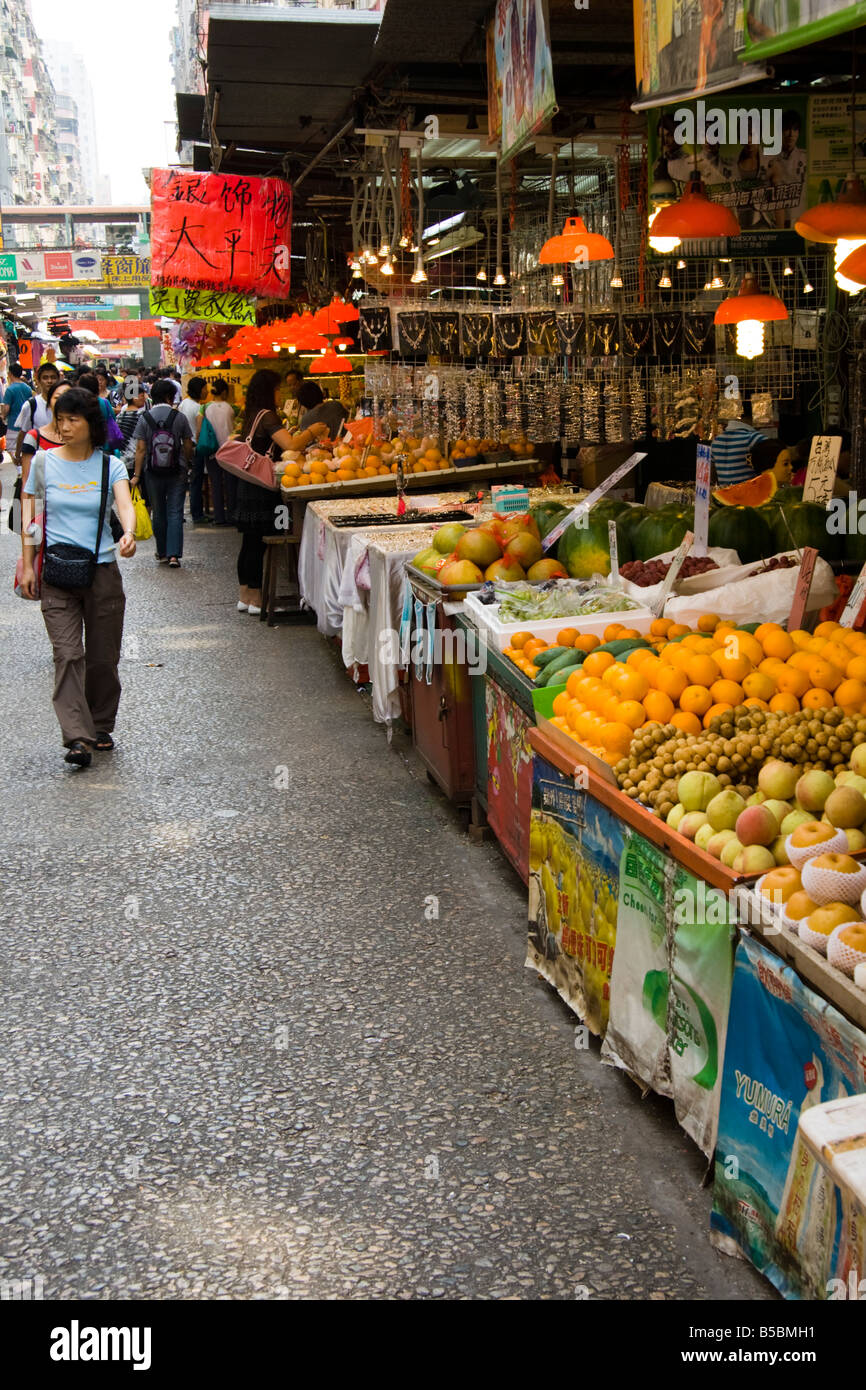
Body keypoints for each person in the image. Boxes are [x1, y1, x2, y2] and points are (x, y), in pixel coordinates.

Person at [19, 386, 137, 768]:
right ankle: (77, 738)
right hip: (56, 570)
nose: (64, 427)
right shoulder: (43, 462)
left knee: (103, 657)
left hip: (101, 569)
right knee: (68, 654)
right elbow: (30, 513)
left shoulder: (110, 465)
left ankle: (100, 723)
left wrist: (129, 532)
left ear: (92, 424)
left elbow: (123, 502)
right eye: (60, 420)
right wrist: (26, 562)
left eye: (73, 420)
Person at [234, 369, 328, 614]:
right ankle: (255, 598)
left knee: (249, 541)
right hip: (263, 489)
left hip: (247, 486)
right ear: (269, 391)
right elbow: (291, 444)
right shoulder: (267, 416)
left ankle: (245, 595)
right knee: (259, 542)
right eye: (277, 389)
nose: (280, 394)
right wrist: (312, 431)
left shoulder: (252, 414)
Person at [130, 378, 193, 567]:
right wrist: (186, 462)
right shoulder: (179, 417)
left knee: (158, 512)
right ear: (169, 396)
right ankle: (174, 555)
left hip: (152, 471)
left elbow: (140, 449)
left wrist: (137, 475)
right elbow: (188, 443)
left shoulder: (145, 417)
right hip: (177, 470)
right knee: (175, 511)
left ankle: (162, 552)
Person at [13, 360, 61, 469]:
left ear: (58, 379)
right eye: (45, 378)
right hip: (39, 459)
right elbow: (23, 432)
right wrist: (18, 454)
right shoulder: (31, 405)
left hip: (62, 457)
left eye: (53, 377)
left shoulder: (66, 402)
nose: (49, 381)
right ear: (38, 381)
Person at [201, 377, 236, 525]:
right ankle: (232, 515)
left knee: (215, 484)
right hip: (229, 450)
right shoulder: (229, 408)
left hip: (212, 450)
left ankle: (219, 517)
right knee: (230, 484)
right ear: (224, 392)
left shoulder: (207, 407)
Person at [179, 376, 210, 524]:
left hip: (184, 448)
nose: (207, 391)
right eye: (205, 389)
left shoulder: (184, 403)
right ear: (199, 390)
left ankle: (190, 512)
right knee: (196, 482)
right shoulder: (198, 408)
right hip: (194, 447)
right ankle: (197, 514)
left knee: (188, 481)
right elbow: (199, 431)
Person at [1, 362, 33, 461]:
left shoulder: (10, 390)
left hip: (13, 424)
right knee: (25, 446)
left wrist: (3, 416)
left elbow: (6, 408)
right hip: (27, 423)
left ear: (10, 374)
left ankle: (20, 469)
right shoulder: (27, 388)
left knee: (11, 448)